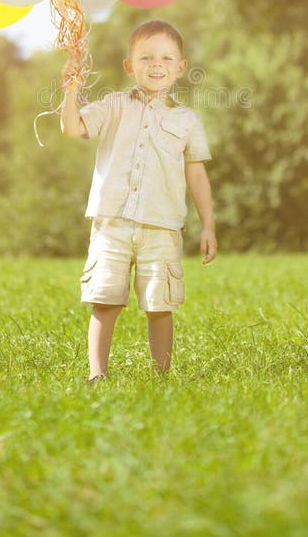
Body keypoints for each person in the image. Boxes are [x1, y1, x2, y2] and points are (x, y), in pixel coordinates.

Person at [61, 19, 217, 382]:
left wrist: (208, 224)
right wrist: (71, 89)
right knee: (105, 301)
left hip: (161, 226)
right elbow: (72, 128)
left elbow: (196, 174)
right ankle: (97, 376)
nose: (156, 64)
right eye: (145, 57)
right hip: (111, 223)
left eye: (165, 57)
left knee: (160, 304)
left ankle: (161, 378)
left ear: (180, 67)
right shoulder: (113, 106)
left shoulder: (187, 120)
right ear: (129, 66)